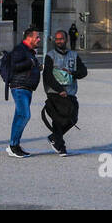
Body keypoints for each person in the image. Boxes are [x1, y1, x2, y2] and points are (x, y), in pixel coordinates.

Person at [42, 28, 87, 156]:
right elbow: (47, 76)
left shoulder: (74, 55)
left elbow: (84, 72)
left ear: (66, 39)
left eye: (61, 39)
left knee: (73, 118)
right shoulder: (50, 56)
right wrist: (59, 90)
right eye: (56, 39)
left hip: (70, 93)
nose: (59, 41)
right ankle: (61, 146)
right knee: (58, 118)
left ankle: (54, 137)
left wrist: (72, 73)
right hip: (54, 93)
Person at [2, 27, 42, 157]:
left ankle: (15, 145)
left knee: (19, 116)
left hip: (26, 87)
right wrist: (30, 63)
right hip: (19, 87)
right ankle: (13, 146)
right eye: (37, 37)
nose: (39, 39)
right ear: (29, 38)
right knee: (25, 115)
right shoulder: (20, 50)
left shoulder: (29, 51)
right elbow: (14, 66)